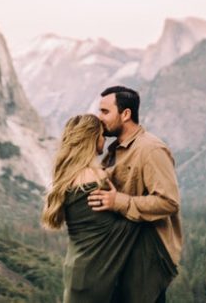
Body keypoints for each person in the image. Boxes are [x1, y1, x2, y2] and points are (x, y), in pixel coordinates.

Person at [42, 114, 169, 302]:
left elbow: (98, 227)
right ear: (93, 138)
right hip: (98, 278)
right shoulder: (96, 178)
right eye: (102, 135)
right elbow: (121, 227)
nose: (105, 139)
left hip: (77, 272)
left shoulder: (67, 177)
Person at [89, 86, 180, 302]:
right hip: (124, 254)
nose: (99, 118)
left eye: (105, 112)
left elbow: (169, 202)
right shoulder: (114, 150)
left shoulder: (151, 149)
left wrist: (117, 201)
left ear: (126, 114)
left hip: (146, 256)